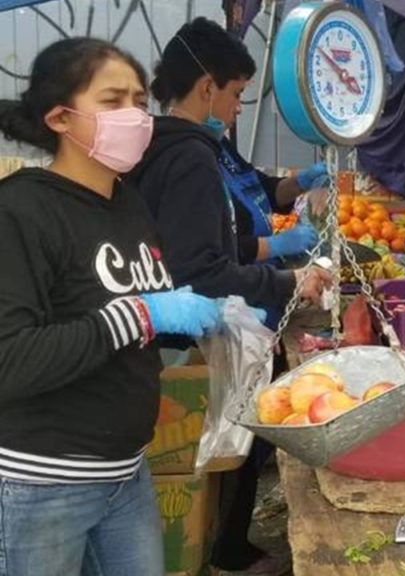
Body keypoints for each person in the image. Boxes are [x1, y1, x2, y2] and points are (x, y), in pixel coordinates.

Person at [0, 38, 225, 576]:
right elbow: (11, 360)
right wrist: (144, 314)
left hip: (125, 472)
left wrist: (216, 317)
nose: (135, 115)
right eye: (113, 100)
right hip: (41, 485)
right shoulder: (22, 211)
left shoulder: (127, 204)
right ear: (60, 117)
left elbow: (133, 327)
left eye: (140, 100)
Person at [128, 18, 331, 575]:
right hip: (194, 328)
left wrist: (295, 187)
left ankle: (223, 544)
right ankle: (230, 552)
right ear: (206, 86)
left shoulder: (186, 146)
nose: (241, 106)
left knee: (222, 445)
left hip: (176, 326)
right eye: (238, 93)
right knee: (231, 442)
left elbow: (227, 221)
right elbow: (204, 268)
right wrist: (287, 278)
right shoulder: (189, 156)